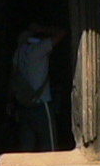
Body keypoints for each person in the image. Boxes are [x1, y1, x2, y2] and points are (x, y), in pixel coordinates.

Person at [8, 22, 66, 152]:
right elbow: (62, 32)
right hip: (41, 104)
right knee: (49, 147)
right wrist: (42, 28)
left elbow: (13, 79)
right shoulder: (39, 49)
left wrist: (10, 102)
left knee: (26, 147)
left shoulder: (19, 52)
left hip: (24, 104)